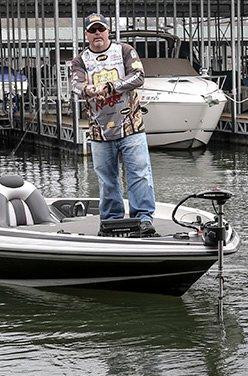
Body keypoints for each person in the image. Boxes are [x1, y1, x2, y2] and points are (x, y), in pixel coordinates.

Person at [69, 13, 156, 227]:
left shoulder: (125, 50)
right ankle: (111, 220)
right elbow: (76, 85)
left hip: (131, 126)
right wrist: (89, 89)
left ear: (108, 31)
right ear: (86, 35)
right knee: (107, 180)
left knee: (139, 175)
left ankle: (143, 218)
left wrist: (111, 86)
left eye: (101, 29)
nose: (97, 33)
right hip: (99, 131)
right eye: (92, 30)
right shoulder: (80, 60)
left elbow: (138, 76)